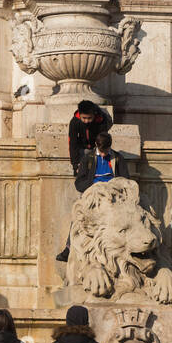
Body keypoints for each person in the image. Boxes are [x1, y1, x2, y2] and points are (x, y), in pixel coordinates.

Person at [56, 101, 111, 263]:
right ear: (80, 115)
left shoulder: (114, 157)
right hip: (85, 161)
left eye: (89, 118)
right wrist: (76, 165)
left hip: (107, 191)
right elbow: (72, 144)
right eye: (84, 118)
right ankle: (69, 247)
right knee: (80, 213)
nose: (86, 121)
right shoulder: (75, 123)